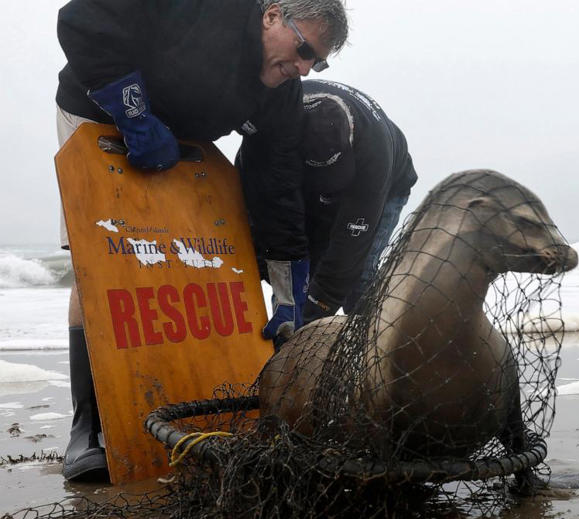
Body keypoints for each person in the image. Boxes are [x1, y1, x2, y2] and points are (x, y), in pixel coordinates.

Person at [55, 0, 348, 481]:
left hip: (181, 137)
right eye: (302, 50)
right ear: (272, 16)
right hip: (98, 103)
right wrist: (134, 113)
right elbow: (83, 21)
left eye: (315, 62)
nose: (302, 69)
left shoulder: (280, 95)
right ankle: (89, 427)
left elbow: (277, 186)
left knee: (183, 264)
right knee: (105, 261)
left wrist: (288, 288)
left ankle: (166, 392)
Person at [238, 79, 417, 341]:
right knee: (298, 269)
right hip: (304, 178)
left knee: (358, 276)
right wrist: (275, 272)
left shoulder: (373, 157)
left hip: (384, 186)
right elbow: (265, 208)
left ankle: (374, 348)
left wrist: (308, 323)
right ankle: (285, 326)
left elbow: (346, 254)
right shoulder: (274, 128)